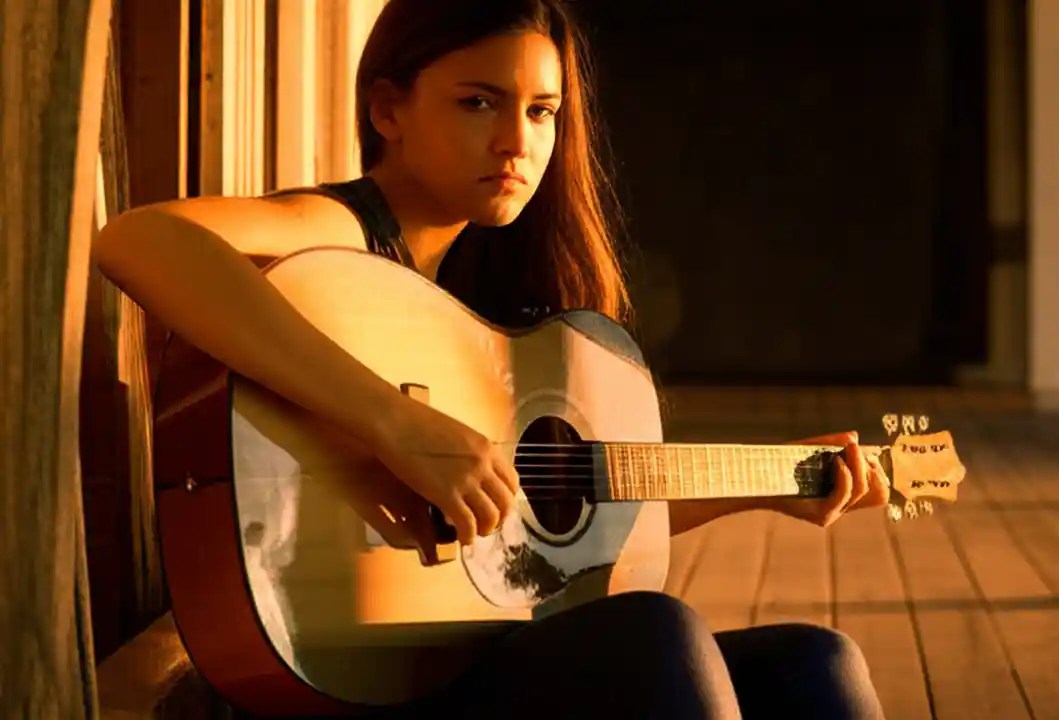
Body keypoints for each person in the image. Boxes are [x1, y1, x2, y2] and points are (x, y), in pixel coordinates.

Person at [93, 0, 888, 717]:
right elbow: (139, 240)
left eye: (542, 112)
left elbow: (561, 510)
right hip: (357, 674)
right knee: (654, 634)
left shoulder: (516, 293)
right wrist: (394, 423)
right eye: (478, 102)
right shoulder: (342, 231)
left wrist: (774, 484)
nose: (517, 142)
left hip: (473, 650)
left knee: (814, 664)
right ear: (387, 109)